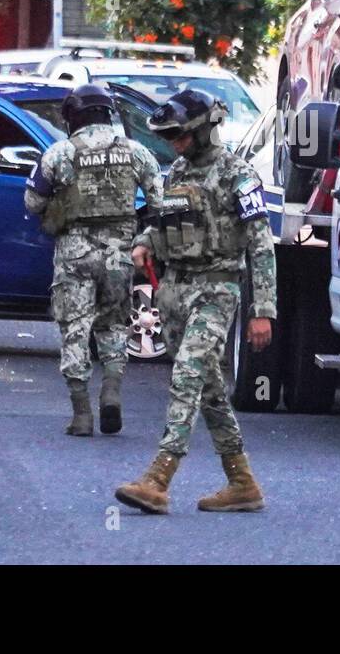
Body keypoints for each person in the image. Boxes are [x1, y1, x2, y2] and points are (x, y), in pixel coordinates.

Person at [114, 89, 276, 514]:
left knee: (187, 374)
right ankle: (242, 483)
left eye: (180, 135)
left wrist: (262, 311)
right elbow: (165, 219)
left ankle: (158, 478)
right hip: (175, 293)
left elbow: (262, 246)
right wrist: (146, 241)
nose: (175, 143)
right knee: (209, 391)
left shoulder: (238, 175)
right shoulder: (178, 171)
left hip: (217, 290)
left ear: (204, 130)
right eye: (170, 137)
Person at [24, 83, 161, 436]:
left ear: (73, 116)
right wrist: (143, 235)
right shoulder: (137, 151)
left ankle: (81, 414)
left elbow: (32, 202)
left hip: (74, 253)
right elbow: (159, 200)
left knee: (75, 329)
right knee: (113, 325)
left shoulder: (59, 153)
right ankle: (112, 393)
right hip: (119, 252)